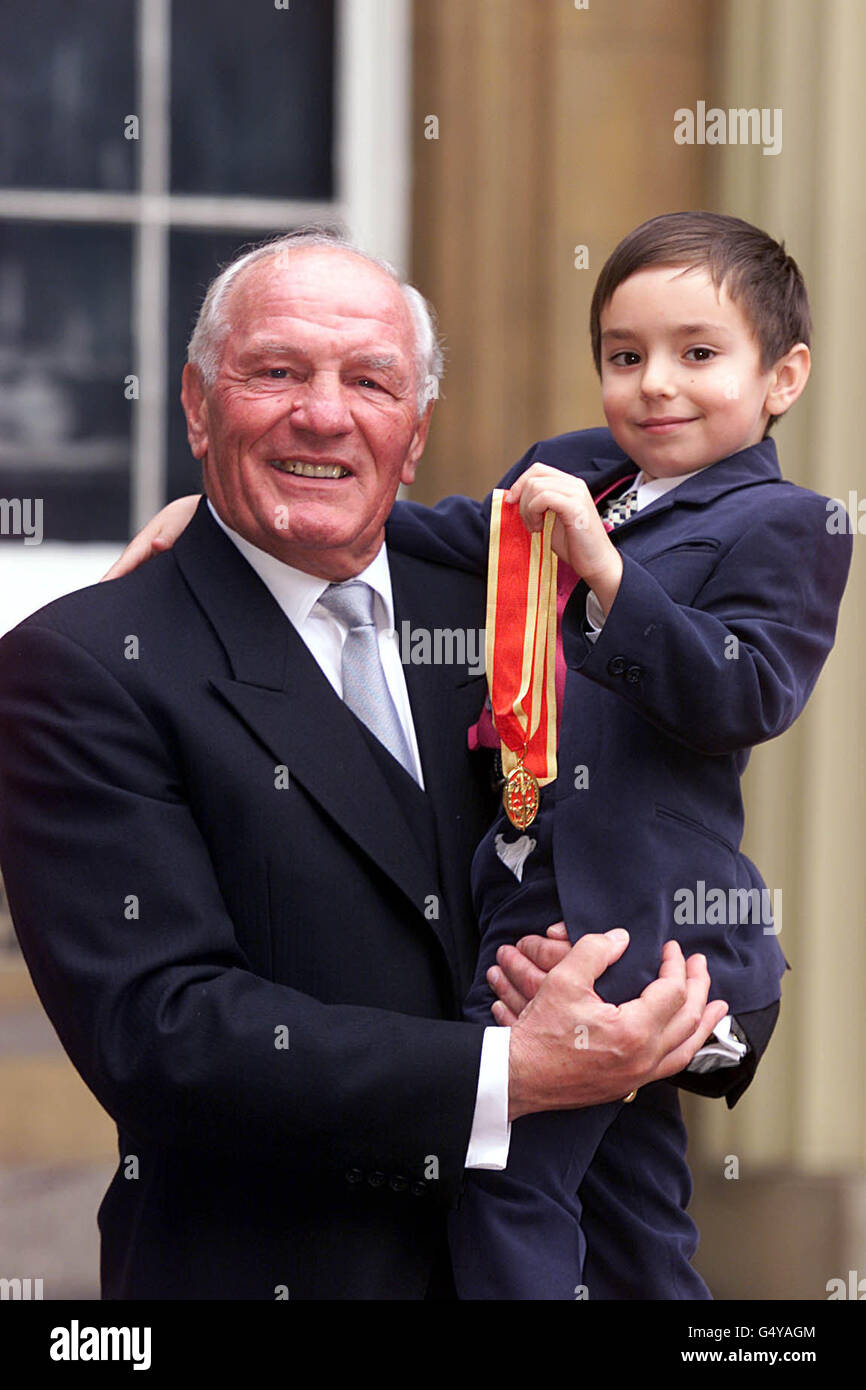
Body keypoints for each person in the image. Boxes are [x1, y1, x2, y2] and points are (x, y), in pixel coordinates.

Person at [114, 213, 852, 1300]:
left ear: (780, 376)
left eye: (698, 354)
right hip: (522, 889)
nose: (654, 384)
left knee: (507, 1173)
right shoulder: (575, 471)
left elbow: (745, 691)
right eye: (621, 355)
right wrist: (224, 513)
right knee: (631, 1196)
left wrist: (608, 576)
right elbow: (433, 531)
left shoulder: (790, 523)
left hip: (634, 913)